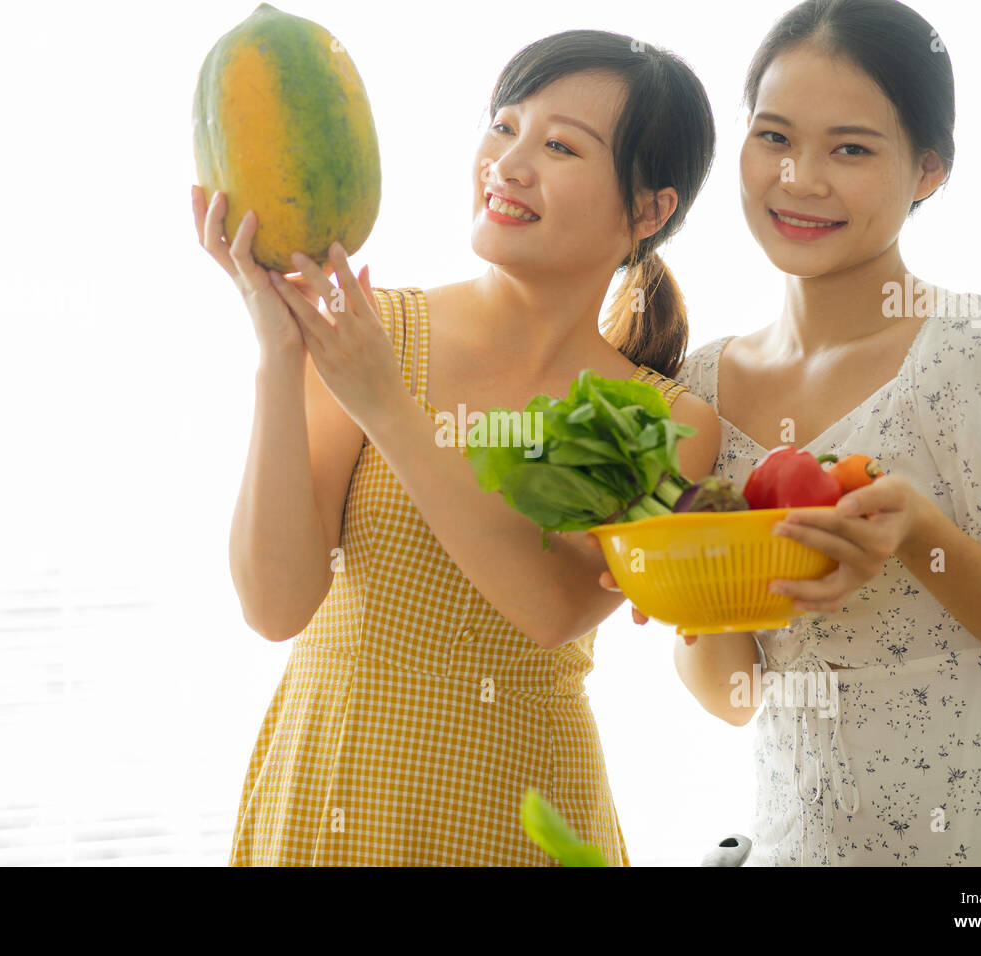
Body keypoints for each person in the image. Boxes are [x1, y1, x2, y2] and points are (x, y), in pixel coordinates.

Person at [598, 0, 981, 866]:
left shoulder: (972, 352)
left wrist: (920, 532)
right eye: (774, 137)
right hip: (804, 844)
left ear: (928, 171)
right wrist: (686, 593)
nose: (800, 179)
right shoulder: (695, 391)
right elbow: (734, 698)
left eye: (850, 148)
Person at [192, 29, 727, 865]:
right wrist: (279, 351)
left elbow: (553, 608)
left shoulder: (664, 419)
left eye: (558, 146)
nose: (508, 164)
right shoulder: (374, 331)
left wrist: (388, 409)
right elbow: (274, 605)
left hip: (521, 817)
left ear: (649, 209)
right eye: (503, 125)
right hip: (327, 796)